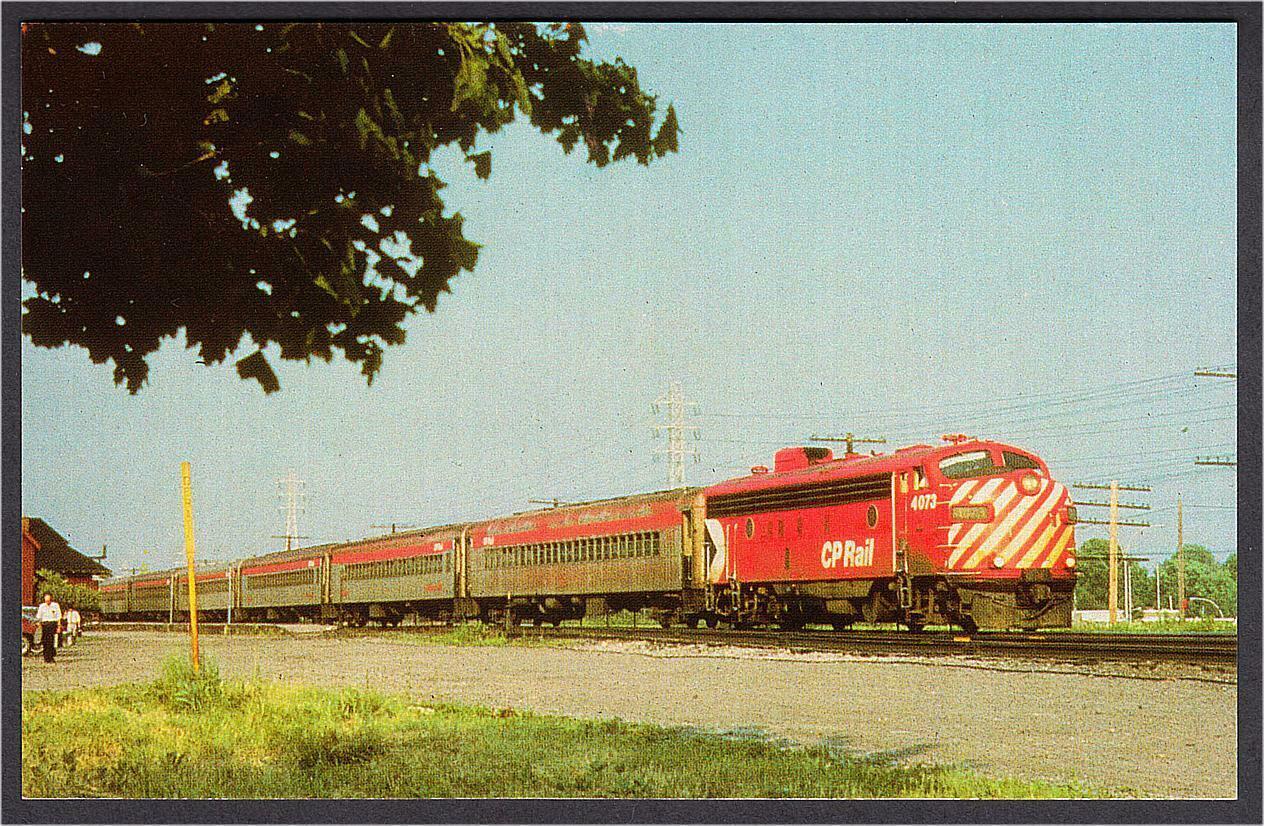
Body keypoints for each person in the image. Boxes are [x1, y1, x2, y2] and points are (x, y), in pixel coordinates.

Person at [35, 592, 61, 663]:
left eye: (48, 600)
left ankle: (51, 657)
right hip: (44, 625)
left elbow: (58, 617)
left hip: (52, 624)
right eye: (46, 601)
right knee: (45, 642)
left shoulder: (55, 605)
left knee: (51, 641)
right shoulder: (42, 606)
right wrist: (39, 625)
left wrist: (58, 627)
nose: (47, 602)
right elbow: (39, 617)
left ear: (51, 599)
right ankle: (46, 658)